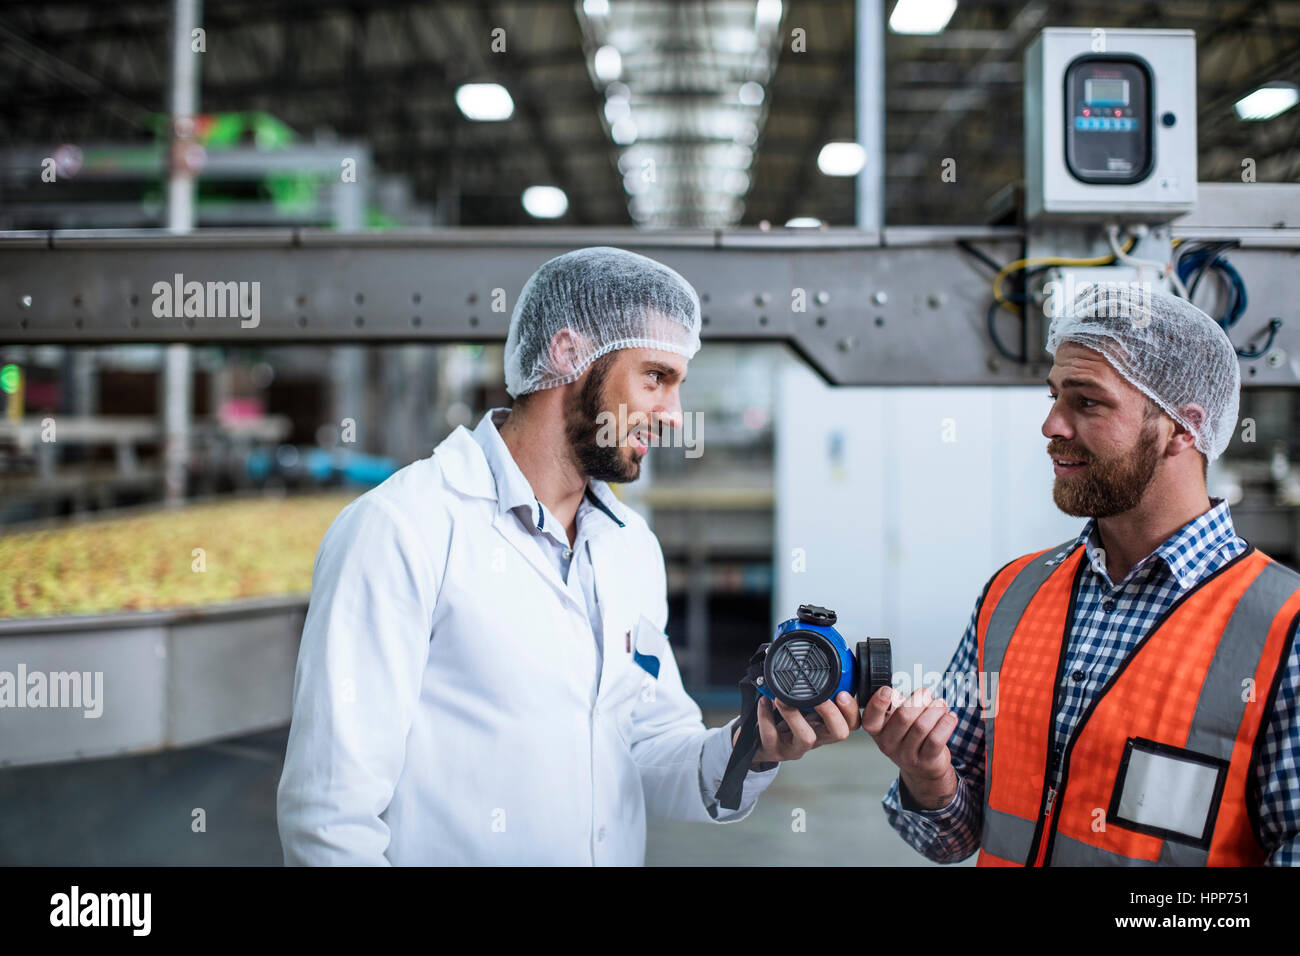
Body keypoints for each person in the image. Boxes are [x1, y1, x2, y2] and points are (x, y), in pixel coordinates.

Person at [277, 246, 859, 865]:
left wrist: (755, 744)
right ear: (567, 353)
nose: (673, 417)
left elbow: (648, 746)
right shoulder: (404, 528)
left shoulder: (630, 546)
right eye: (656, 378)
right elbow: (330, 817)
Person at [863, 282, 1300, 865]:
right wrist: (929, 775)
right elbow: (951, 839)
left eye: (1086, 402)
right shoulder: (1012, 595)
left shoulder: (1283, 628)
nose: (1051, 425)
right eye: (1053, 397)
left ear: (1184, 428)